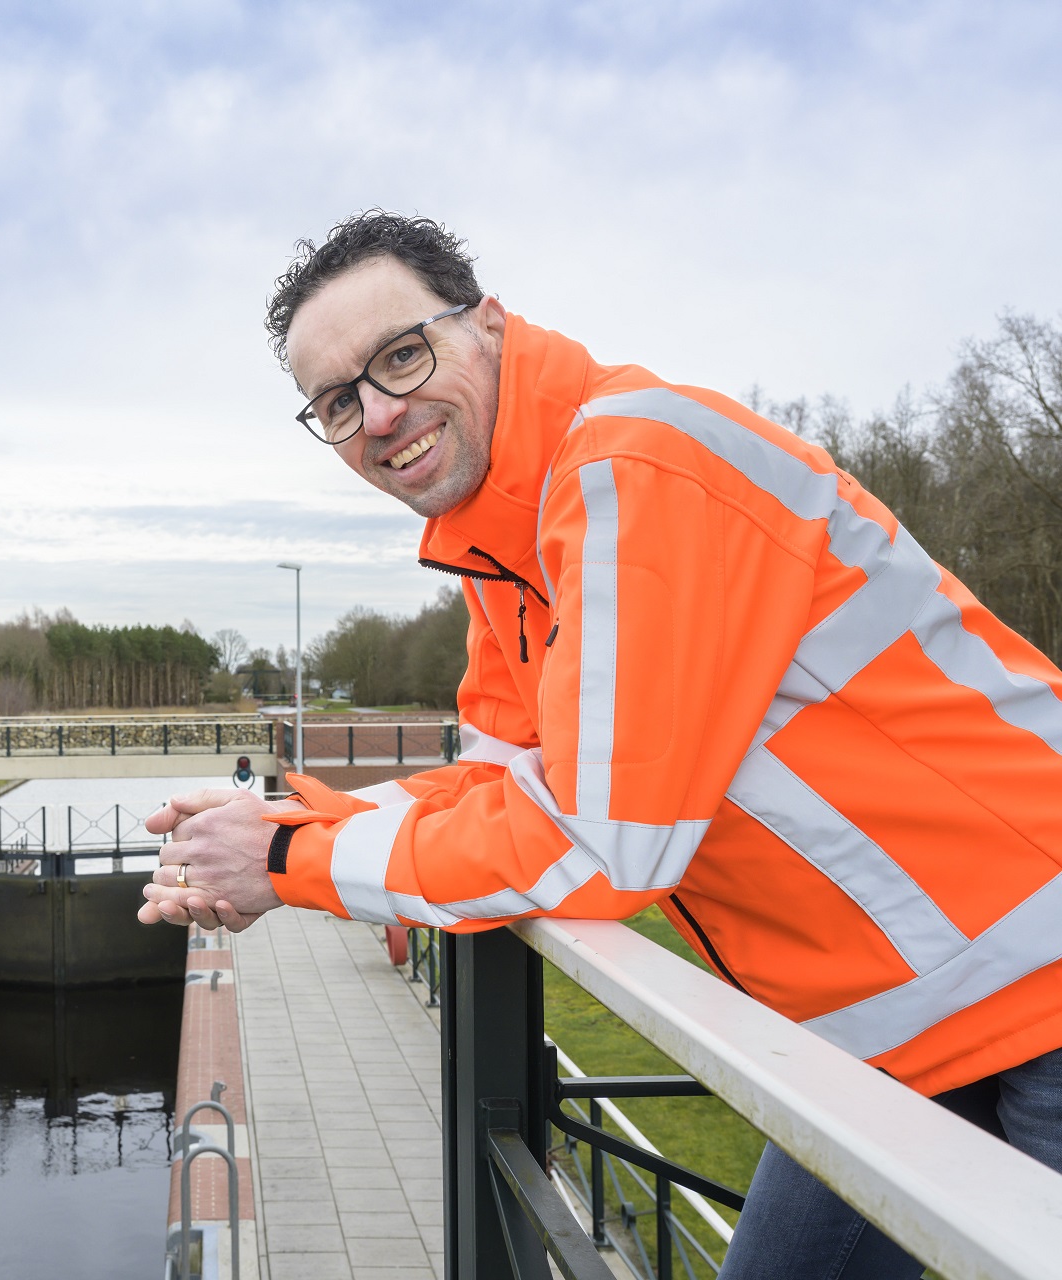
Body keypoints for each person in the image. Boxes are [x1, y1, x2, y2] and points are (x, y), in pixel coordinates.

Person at [137, 211, 1062, 1277]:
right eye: (338, 402)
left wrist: (287, 863)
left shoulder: (633, 463)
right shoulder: (506, 544)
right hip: (895, 1034)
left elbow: (600, 838)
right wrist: (283, 825)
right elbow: (497, 782)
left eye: (401, 354)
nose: (381, 414)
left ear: (487, 323)